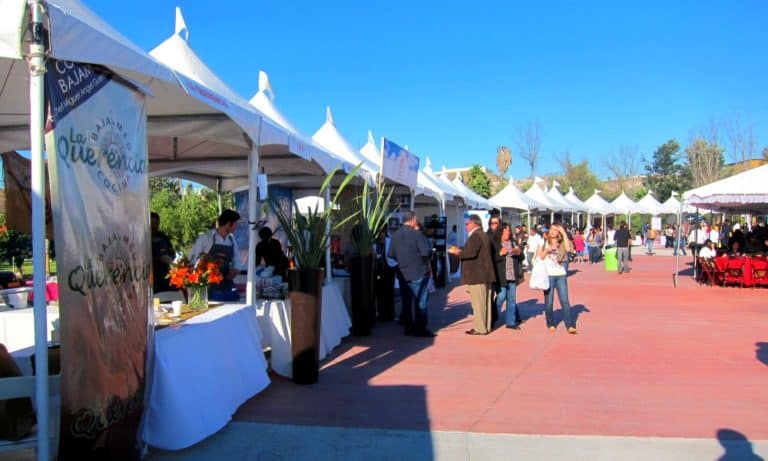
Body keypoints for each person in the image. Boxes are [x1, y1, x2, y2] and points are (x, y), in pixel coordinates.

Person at [388, 210, 436, 337]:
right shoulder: (417, 235)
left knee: (407, 301)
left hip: (403, 272)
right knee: (421, 302)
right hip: (419, 271)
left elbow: (390, 254)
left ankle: (408, 327)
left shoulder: (395, 235)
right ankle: (420, 328)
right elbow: (425, 252)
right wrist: (431, 252)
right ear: (414, 220)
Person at [448, 214, 496, 335]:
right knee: (485, 303)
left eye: (467, 224)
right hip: (485, 273)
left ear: (474, 223)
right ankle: (486, 326)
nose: (466, 226)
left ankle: (480, 328)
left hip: (477, 275)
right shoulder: (483, 235)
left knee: (478, 303)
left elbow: (470, 253)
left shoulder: (476, 235)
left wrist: (457, 252)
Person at [189, 209, 243, 302]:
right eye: (236, 224)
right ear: (229, 223)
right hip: (206, 287)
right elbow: (191, 261)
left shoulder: (231, 240)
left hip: (225, 284)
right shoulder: (206, 238)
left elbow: (237, 260)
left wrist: (235, 271)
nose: (237, 227)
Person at [537, 224, 577, 334]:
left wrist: (563, 232)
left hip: (561, 274)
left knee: (565, 301)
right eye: (552, 229)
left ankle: (570, 325)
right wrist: (547, 250)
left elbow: (569, 249)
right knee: (549, 302)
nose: (553, 232)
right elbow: (539, 256)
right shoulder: (544, 241)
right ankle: (550, 323)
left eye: (556, 230)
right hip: (549, 275)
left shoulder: (562, 243)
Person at [494, 223, 524, 330]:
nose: (508, 232)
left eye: (509, 231)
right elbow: (493, 258)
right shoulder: (496, 243)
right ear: (501, 231)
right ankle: (493, 317)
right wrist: (500, 254)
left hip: (512, 275)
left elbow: (522, 256)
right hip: (501, 275)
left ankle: (511, 322)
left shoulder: (513, 242)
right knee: (501, 297)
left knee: (512, 299)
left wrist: (518, 252)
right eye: (506, 230)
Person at [151, 212, 175, 293]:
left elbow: (172, 253)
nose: (154, 226)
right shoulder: (142, 236)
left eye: (156, 223)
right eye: (152, 223)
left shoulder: (163, 236)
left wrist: (169, 258)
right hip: (151, 275)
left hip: (164, 273)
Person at [486, 216, 502, 325]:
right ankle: (491, 319)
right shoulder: (487, 236)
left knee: (503, 295)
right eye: (492, 223)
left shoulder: (503, 235)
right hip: (491, 270)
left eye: (496, 223)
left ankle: (494, 315)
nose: (494, 225)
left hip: (502, 270)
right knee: (491, 296)